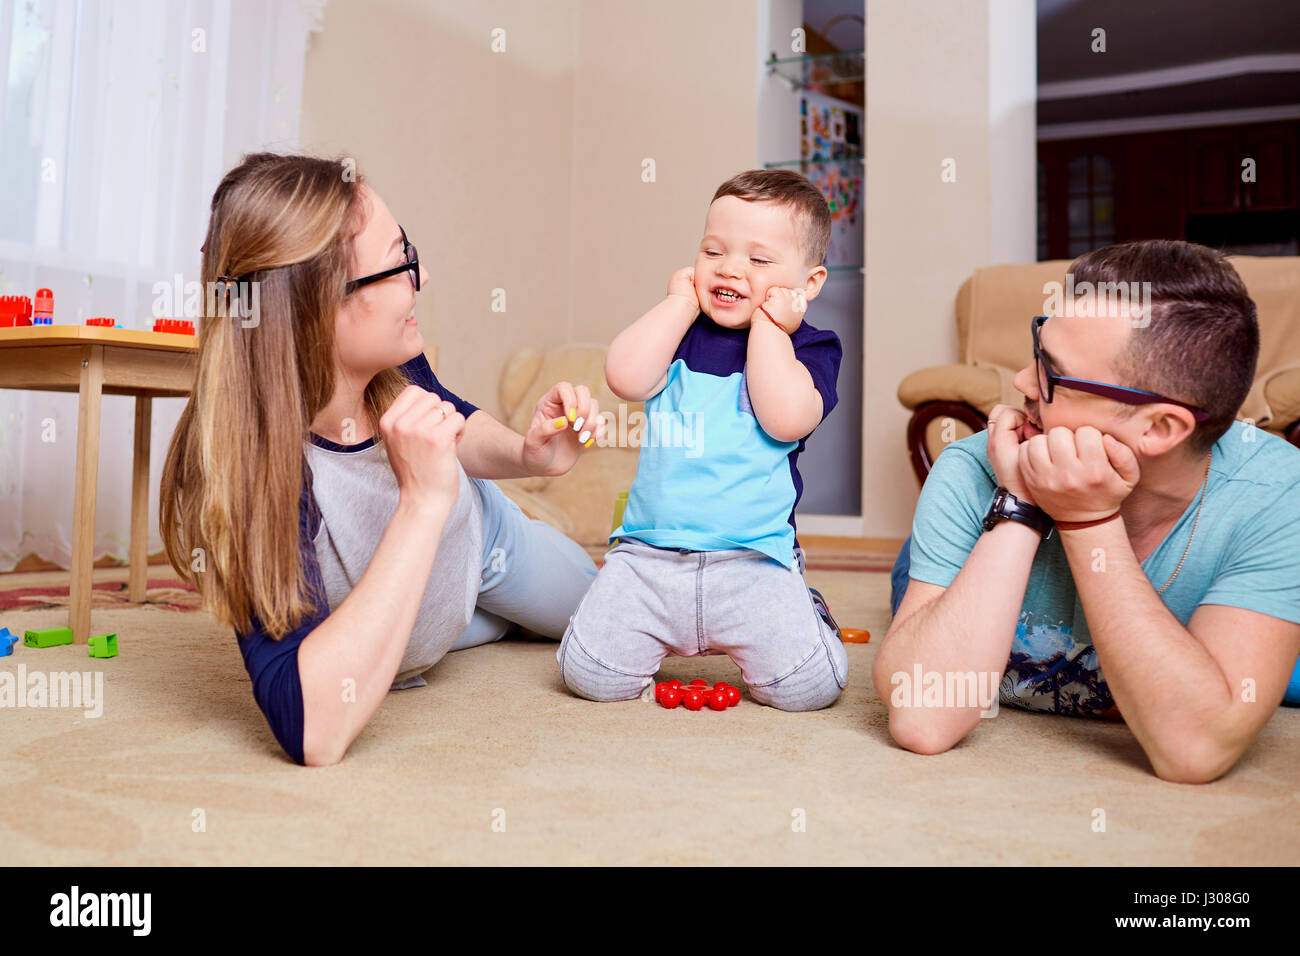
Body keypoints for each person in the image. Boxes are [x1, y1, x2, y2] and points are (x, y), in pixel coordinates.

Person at [160, 153, 605, 766]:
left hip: (483, 546)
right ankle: (483, 621)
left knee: (615, 624)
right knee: (404, 646)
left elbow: (449, 412)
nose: (421, 280)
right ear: (318, 306)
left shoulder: (392, 355)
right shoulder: (254, 467)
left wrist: (529, 455)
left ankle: (492, 608)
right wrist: (422, 502)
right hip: (413, 584)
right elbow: (313, 729)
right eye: (398, 264)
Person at [874, 240, 1300, 783]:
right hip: (980, 531)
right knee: (913, 587)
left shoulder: (1278, 494)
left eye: (1052, 373)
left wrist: (1087, 520)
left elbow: (1194, 751)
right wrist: (1020, 505)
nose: (1023, 383)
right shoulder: (973, 468)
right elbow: (924, 720)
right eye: (1037, 348)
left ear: (1159, 428)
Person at [557, 169, 847, 710]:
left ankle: (806, 610)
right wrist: (679, 305)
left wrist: (769, 328)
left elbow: (786, 418)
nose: (731, 267)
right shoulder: (679, 330)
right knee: (591, 675)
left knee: (808, 688)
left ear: (808, 285)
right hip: (648, 557)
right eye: (714, 251)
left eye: (759, 260)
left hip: (753, 561)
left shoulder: (812, 347)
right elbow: (625, 377)